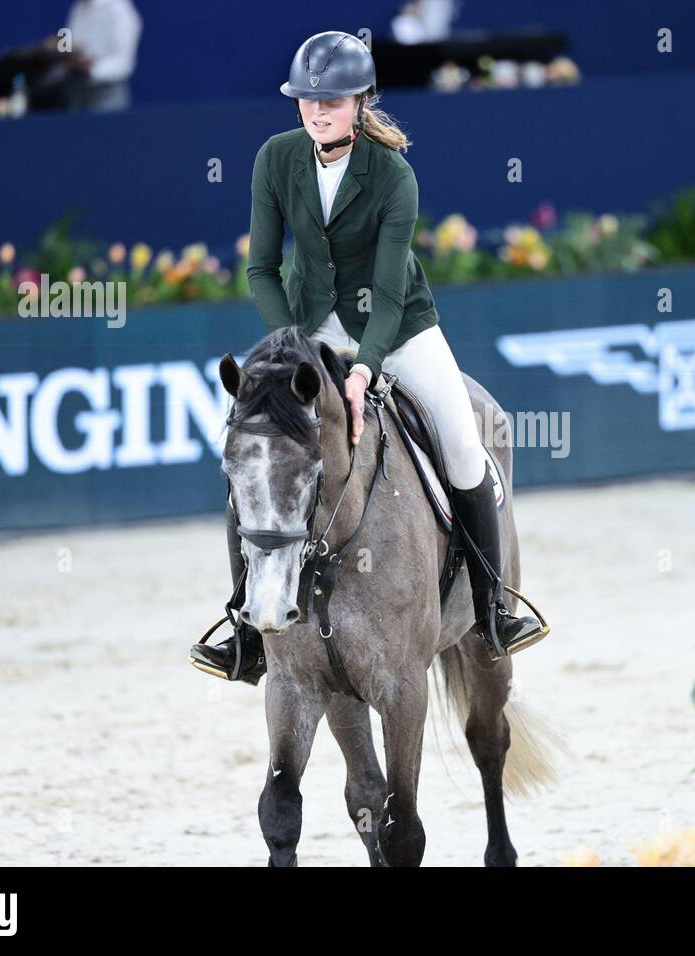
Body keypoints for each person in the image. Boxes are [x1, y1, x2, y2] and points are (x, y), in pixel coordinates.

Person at [188, 30, 546, 684]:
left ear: (361, 101)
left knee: (466, 444)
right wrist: (289, 341)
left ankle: (494, 604)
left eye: (332, 101)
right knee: (252, 451)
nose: (317, 111)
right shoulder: (276, 159)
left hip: (398, 327)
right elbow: (261, 268)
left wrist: (362, 369)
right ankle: (245, 625)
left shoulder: (391, 175)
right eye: (306, 100)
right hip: (307, 327)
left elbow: (386, 291)